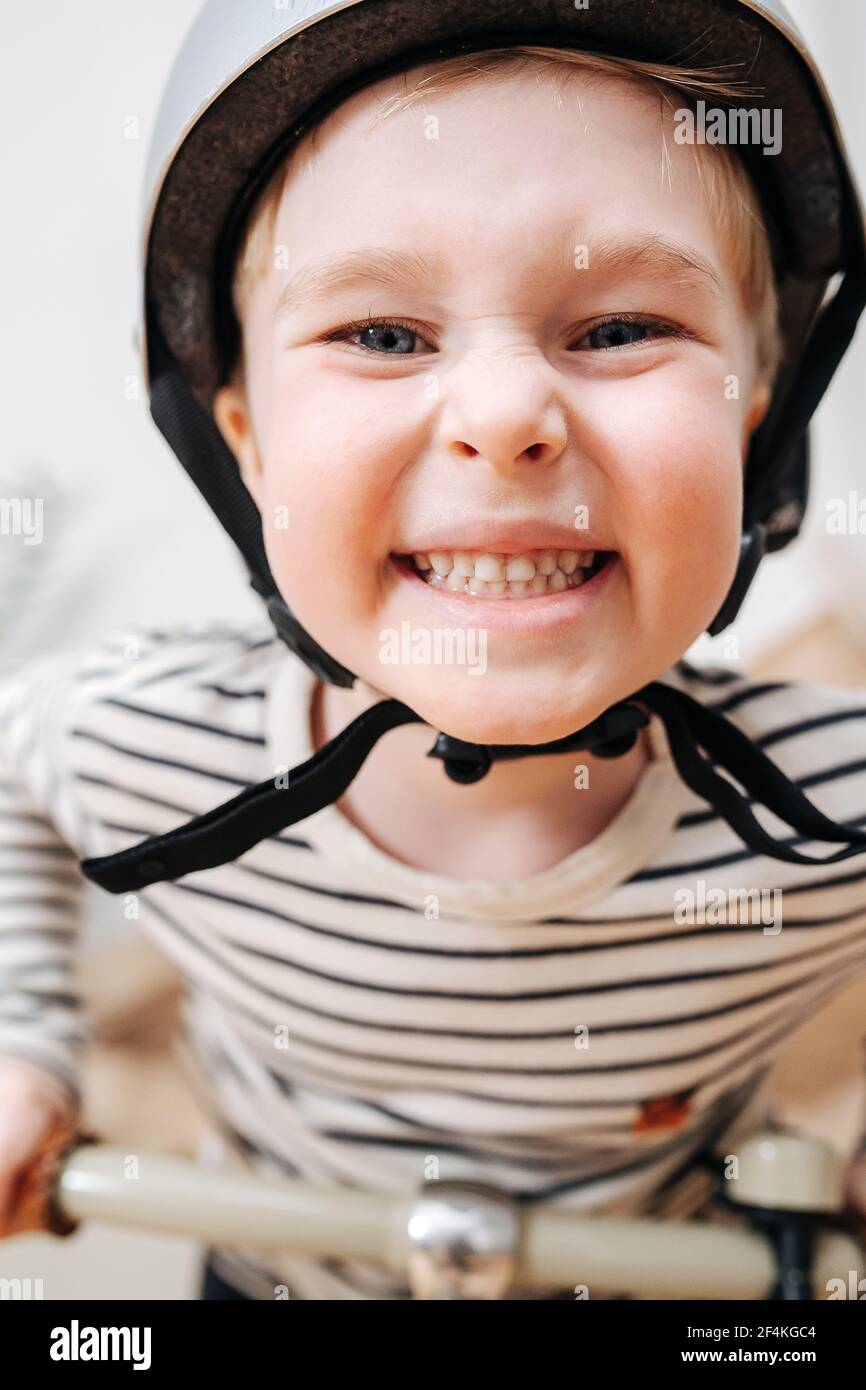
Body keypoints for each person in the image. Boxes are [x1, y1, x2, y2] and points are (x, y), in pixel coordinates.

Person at [1, 0, 866, 1299]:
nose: (507, 413)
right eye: (383, 336)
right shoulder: (148, 744)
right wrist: (24, 1042)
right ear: (244, 442)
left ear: (756, 422)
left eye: (620, 329)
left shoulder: (818, 805)